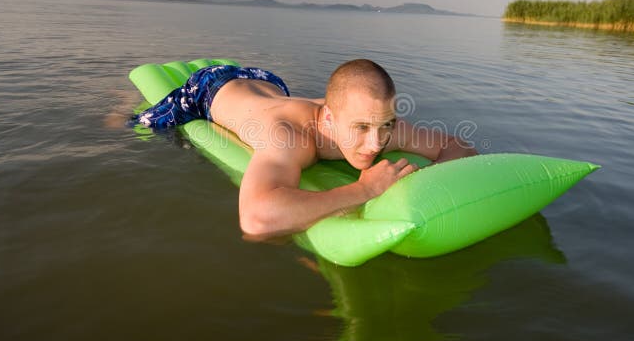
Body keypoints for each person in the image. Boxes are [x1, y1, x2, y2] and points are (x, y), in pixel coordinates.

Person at [134, 59, 478, 237]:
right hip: (208, 88)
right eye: (360, 128)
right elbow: (255, 220)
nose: (375, 143)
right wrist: (365, 188)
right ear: (328, 119)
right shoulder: (289, 137)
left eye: (385, 125)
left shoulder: (380, 125)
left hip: (268, 81)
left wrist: (428, 184)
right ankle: (117, 107)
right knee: (142, 123)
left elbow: (458, 144)